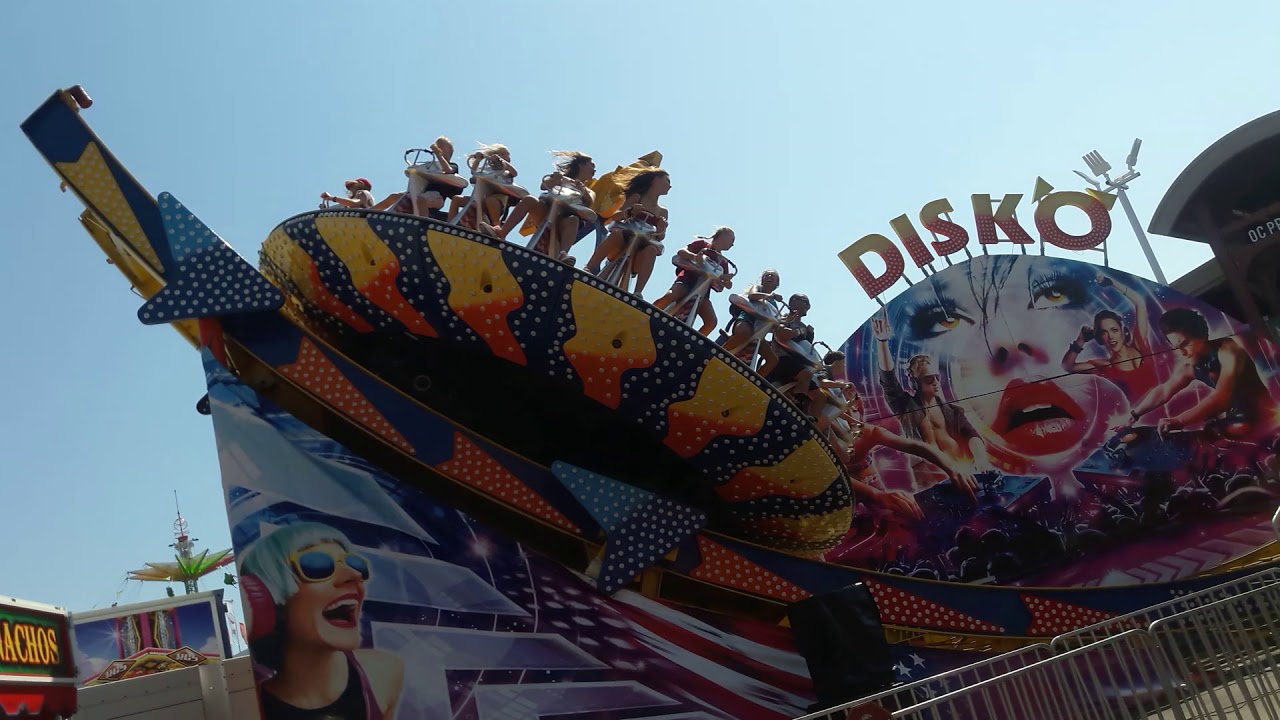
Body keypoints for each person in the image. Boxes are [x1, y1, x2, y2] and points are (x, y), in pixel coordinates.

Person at [240, 523, 403, 720]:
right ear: (267, 600)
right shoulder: (249, 707)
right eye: (317, 565)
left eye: (355, 563)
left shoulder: (384, 673)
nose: (355, 575)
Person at [873, 309, 992, 492]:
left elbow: (971, 434)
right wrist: (882, 343)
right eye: (929, 379)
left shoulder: (952, 411)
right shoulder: (906, 407)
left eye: (937, 377)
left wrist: (980, 458)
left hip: (961, 474)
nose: (936, 382)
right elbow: (888, 380)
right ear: (915, 381)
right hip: (931, 484)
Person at [1129, 307, 1277, 438]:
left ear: (1201, 336)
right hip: (1236, 417)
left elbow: (1221, 398)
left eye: (1185, 343)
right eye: (1176, 347)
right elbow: (1164, 391)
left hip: (1266, 417)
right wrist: (1134, 414)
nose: (1182, 352)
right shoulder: (1190, 366)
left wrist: (1179, 421)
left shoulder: (1229, 351)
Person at [838, 386, 979, 522]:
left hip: (870, 486)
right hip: (839, 493)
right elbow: (835, 475)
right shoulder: (821, 441)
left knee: (903, 521)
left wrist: (952, 467)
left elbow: (917, 446)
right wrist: (876, 494)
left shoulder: (869, 432)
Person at [1060, 274, 1160, 402]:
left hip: (1170, 411)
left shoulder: (1140, 343)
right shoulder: (1105, 366)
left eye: (1114, 330)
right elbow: (1068, 367)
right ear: (1100, 338)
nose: (1111, 337)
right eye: (1104, 332)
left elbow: (1139, 302)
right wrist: (1080, 341)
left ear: (1122, 330)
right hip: (1142, 418)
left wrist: (1111, 282)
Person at [480, 151, 596, 260]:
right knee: (529, 200)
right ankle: (501, 232)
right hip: (547, 211)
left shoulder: (588, 190)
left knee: (573, 220)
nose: (594, 169)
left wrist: (582, 190)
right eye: (591, 165)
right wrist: (555, 180)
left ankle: (563, 254)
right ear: (581, 165)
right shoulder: (562, 178)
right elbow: (544, 186)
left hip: (564, 219)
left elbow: (590, 201)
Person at [583, 168, 671, 296]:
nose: (670, 185)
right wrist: (630, 212)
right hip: (622, 240)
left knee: (651, 250)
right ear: (655, 179)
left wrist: (661, 228)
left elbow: (660, 236)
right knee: (616, 234)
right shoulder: (636, 197)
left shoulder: (663, 211)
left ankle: (638, 292)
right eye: (667, 181)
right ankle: (589, 268)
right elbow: (616, 216)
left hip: (640, 249)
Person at [654, 227, 736, 335]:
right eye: (731, 240)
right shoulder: (702, 245)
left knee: (711, 322)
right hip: (687, 281)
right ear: (723, 236)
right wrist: (695, 257)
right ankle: (648, 313)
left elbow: (727, 285)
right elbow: (681, 252)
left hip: (703, 293)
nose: (732, 244)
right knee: (670, 296)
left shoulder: (723, 262)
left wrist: (726, 280)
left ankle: (692, 339)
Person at [373, 137, 460, 219]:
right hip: (421, 193)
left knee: (421, 200)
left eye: (442, 147)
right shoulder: (431, 165)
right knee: (395, 196)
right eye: (438, 146)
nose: (439, 149)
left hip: (437, 197)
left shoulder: (453, 165)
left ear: (450, 151)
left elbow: (448, 170)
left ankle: (422, 224)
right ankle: (370, 211)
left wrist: (439, 155)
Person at [721, 269, 784, 366]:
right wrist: (768, 296)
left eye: (773, 276)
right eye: (767, 275)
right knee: (745, 334)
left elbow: (776, 321)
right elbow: (752, 295)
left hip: (760, 330)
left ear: (777, 284)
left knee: (772, 360)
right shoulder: (758, 288)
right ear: (762, 280)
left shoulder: (774, 304)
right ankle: (719, 353)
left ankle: (754, 377)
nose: (770, 277)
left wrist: (787, 320)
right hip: (747, 319)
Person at [449, 143, 519, 228]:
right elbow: (474, 171)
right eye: (502, 154)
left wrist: (502, 160)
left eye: (506, 155)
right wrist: (478, 159)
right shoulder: (487, 171)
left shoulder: (506, 173)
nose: (505, 156)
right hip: (479, 199)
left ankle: (496, 226)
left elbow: (514, 173)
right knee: (457, 199)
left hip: (497, 200)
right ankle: (450, 223)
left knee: (491, 200)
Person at [759, 294, 816, 391]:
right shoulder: (785, 318)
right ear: (793, 302)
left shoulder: (804, 326)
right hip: (781, 359)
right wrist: (799, 331)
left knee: (818, 392)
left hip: (796, 363)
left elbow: (805, 349)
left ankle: (798, 401)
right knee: (806, 374)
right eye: (805, 302)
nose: (808, 306)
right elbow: (781, 334)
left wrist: (810, 335)